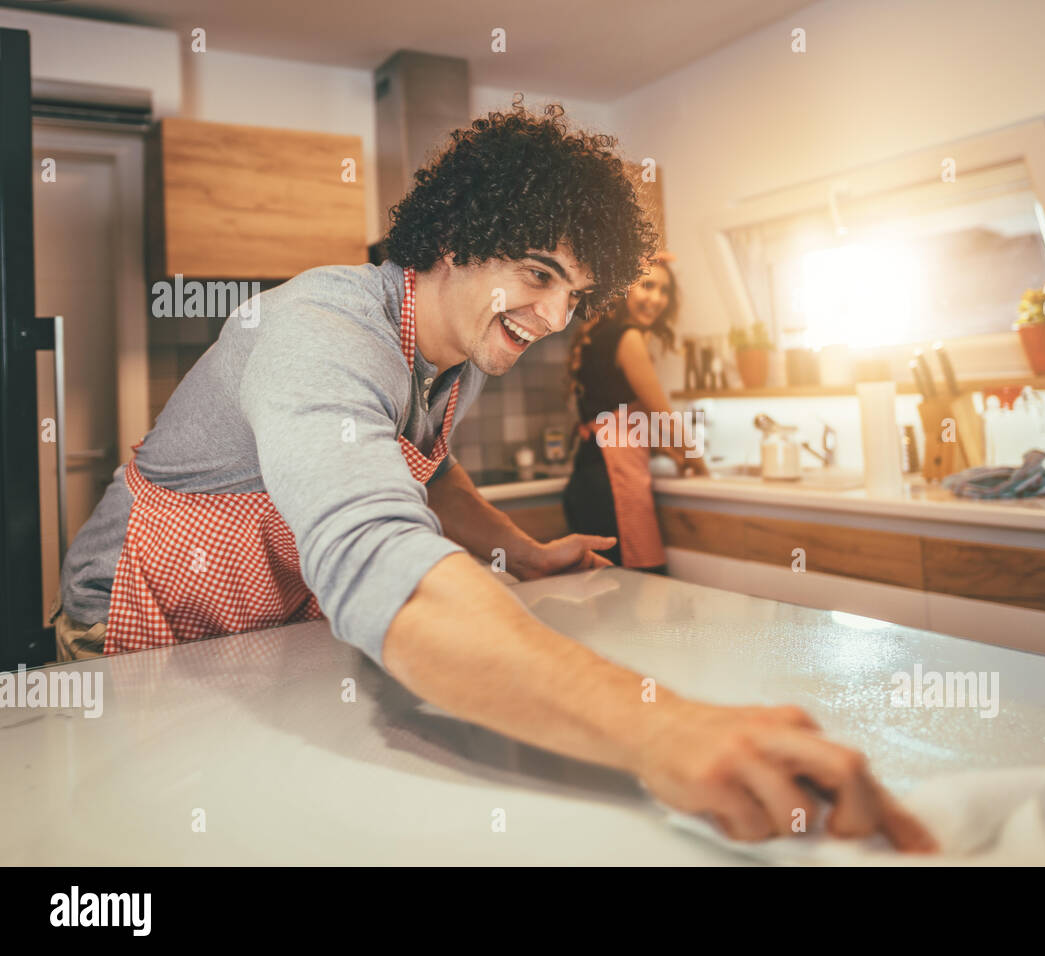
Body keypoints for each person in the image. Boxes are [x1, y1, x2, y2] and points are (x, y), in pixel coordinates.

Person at [52, 100, 935, 849]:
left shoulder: (458, 355)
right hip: (139, 626)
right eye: (538, 274)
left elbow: (429, 477)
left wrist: (528, 551)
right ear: (454, 239)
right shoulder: (319, 326)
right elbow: (375, 557)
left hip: (262, 628)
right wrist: (662, 726)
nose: (553, 317)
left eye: (575, 295)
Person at [564, 253, 706, 574]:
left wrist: (670, 452)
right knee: (640, 588)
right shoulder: (628, 338)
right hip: (611, 483)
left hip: (590, 478)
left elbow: (619, 418)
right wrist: (700, 463)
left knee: (613, 600)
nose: (656, 299)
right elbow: (663, 416)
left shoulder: (601, 335)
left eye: (664, 291)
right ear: (625, 288)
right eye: (647, 286)